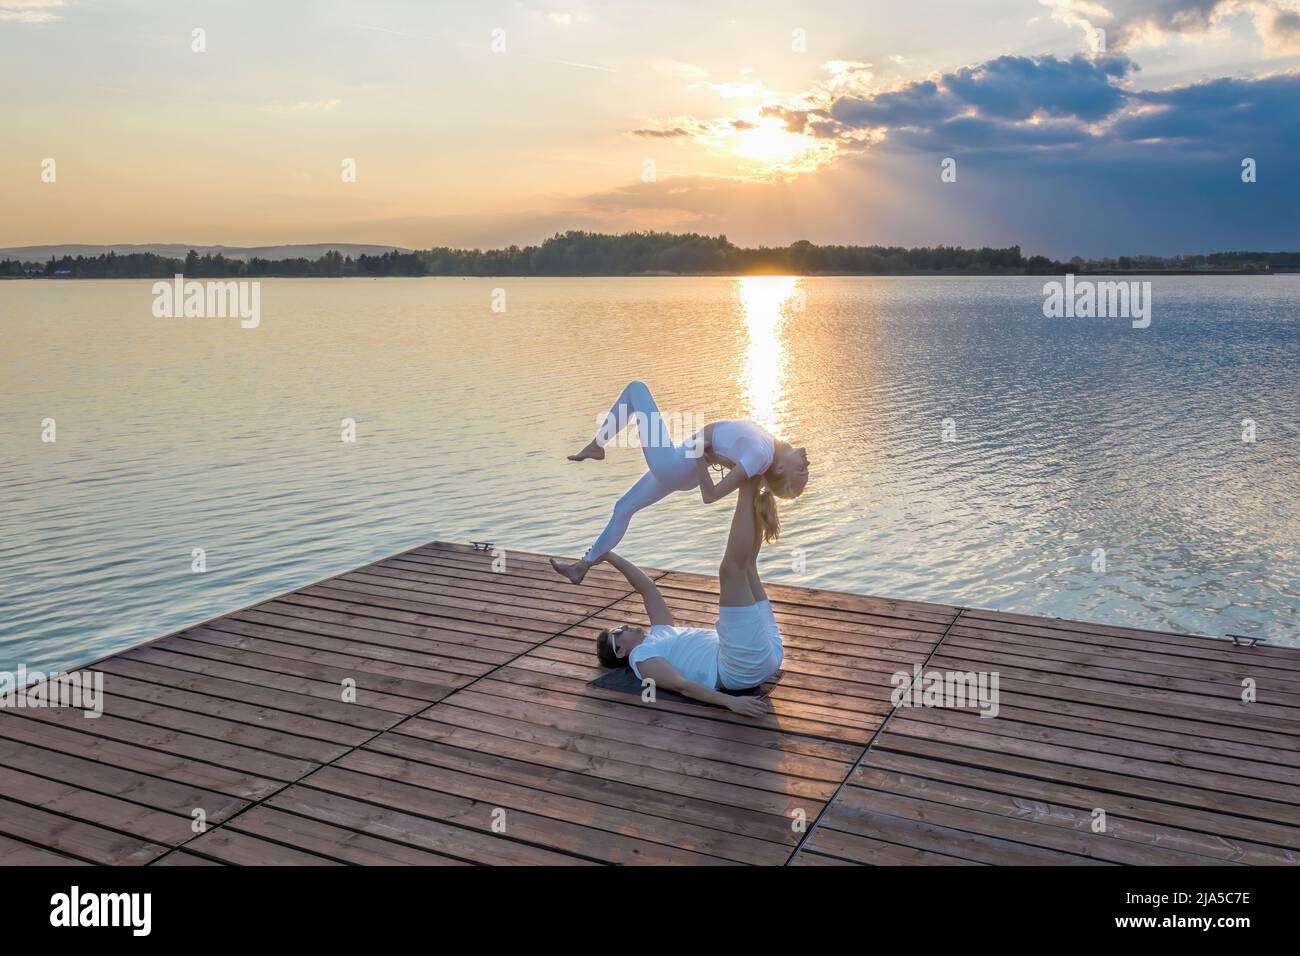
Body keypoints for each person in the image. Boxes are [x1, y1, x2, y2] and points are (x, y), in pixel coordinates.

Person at [550, 380, 808, 586]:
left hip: (675, 466)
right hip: (679, 467)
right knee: (623, 508)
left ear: (782, 468)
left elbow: (711, 496)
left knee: (636, 389)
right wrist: (712, 456)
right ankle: (582, 566)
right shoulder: (765, 449)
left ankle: (597, 445)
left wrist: (699, 458)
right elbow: (731, 460)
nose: (806, 459)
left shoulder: (761, 456)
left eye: (801, 470)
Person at [585, 476, 782, 718]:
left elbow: (647, 589)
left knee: (748, 566)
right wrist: (730, 702)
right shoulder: (642, 659)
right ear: (619, 651)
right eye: (618, 631)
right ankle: (747, 481)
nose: (624, 625)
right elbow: (680, 685)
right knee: (731, 570)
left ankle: (753, 483)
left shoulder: (660, 633)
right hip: (740, 667)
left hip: (767, 652)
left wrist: (607, 555)